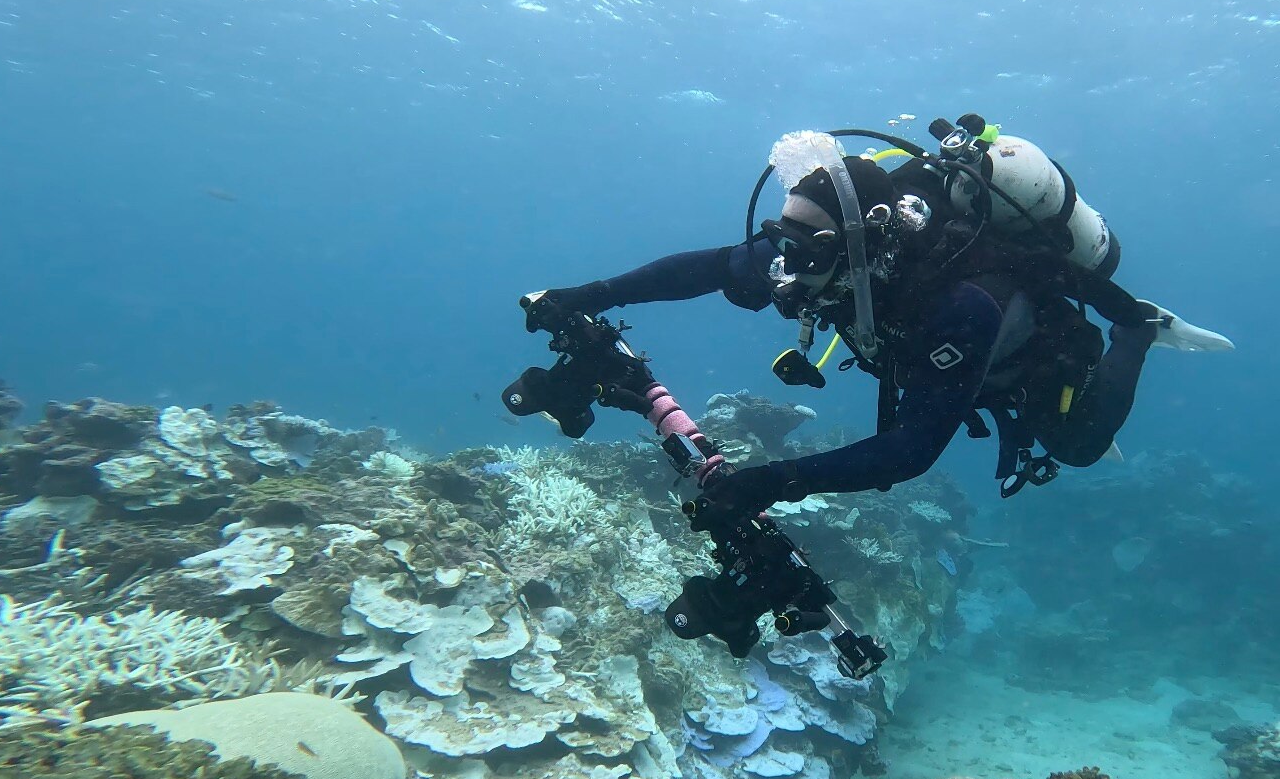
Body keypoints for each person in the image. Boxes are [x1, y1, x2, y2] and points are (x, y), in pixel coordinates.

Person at [528, 125, 1233, 532]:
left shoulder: (961, 304)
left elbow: (911, 451)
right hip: (933, 360)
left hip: (1013, 357)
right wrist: (584, 294)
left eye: (804, 255)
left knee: (1077, 444)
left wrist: (775, 481)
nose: (784, 273)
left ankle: (1139, 328)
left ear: (865, 247)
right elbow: (707, 267)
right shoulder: (810, 249)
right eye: (783, 246)